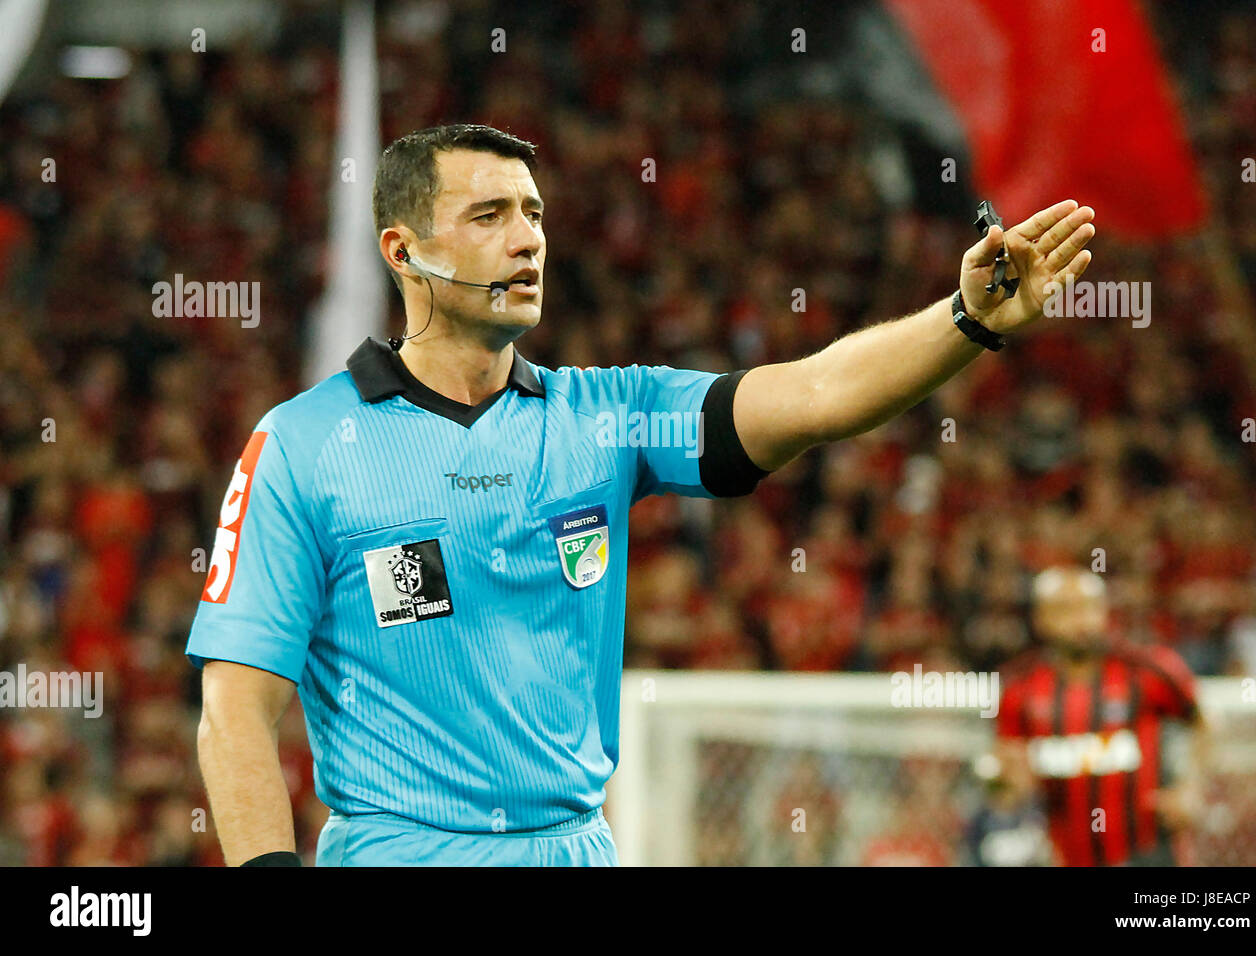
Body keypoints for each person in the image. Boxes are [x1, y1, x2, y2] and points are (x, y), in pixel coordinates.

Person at [187, 123, 1097, 866]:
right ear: (404, 250)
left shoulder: (605, 419)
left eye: (535, 214)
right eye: (490, 214)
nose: (528, 238)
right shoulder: (303, 445)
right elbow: (236, 707)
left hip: (579, 851)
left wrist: (965, 319)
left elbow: (818, 394)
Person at [996, 567, 1210, 866]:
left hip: (1150, 851)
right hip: (1066, 855)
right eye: (1065, 610)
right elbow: (1008, 782)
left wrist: (1191, 788)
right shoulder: (1019, 687)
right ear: (1041, 619)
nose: (1081, 621)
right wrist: (1005, 784)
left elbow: (1204, 723)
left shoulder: (1148, 669)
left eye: (1089, 607)